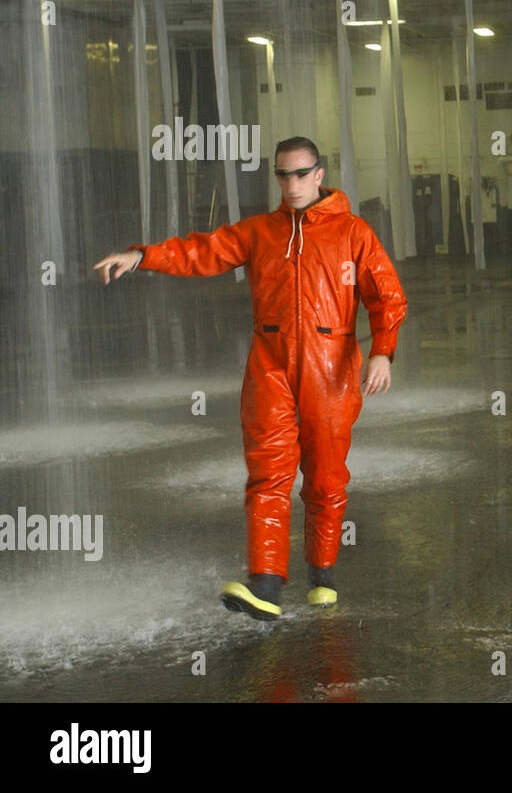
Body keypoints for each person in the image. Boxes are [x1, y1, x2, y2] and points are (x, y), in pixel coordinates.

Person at [93, 136, 408, 621]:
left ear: (319, 175)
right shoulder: (261, 231)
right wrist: (142, 257)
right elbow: (204, 251)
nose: (293, 183)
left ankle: (322, 573)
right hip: (271, 364)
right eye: (283, 174)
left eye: (302, 173)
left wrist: (383, 353)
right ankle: (266, 583)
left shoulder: (352, 233)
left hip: (331, 367)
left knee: (325, 476)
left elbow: (386, 296)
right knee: (268, 472)